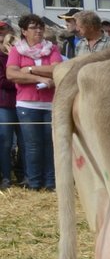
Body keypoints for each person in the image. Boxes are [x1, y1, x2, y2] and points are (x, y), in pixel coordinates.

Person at [4, 14, 62, 190]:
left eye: (40, 27)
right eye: (33, 27)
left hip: (50, 103)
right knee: (32, 145)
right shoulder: (16, 50)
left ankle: (51, 182)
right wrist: (39, 77)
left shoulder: (52, 49)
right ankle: (34, 183)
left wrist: (29, 69)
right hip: (27, 104)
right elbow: (12, 74)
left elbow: (57, 70)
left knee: (50, 144)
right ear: (23, 31)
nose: (38, 31)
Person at [0, 25, 16, 189]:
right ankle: (6, 177)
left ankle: (23, 175)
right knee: (5, 142)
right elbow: (3, 81)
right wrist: (23, 79)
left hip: (24, 102)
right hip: (5, 104)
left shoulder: (20, 55)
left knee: (26, 143)